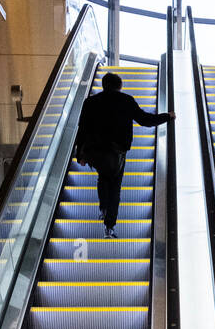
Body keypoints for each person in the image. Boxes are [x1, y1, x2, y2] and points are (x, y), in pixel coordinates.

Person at [73, 72, 174, 238]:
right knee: (114, 187)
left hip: (93, 151)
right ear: (120, 86)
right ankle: (109, 226)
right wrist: (167, 117)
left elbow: (82, 127)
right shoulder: (126, 100)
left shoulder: (90, 102)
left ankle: (103, 208)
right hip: (116, 152)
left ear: (104, 85)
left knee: (102, 175)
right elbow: (145, 120)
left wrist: (80, 155)